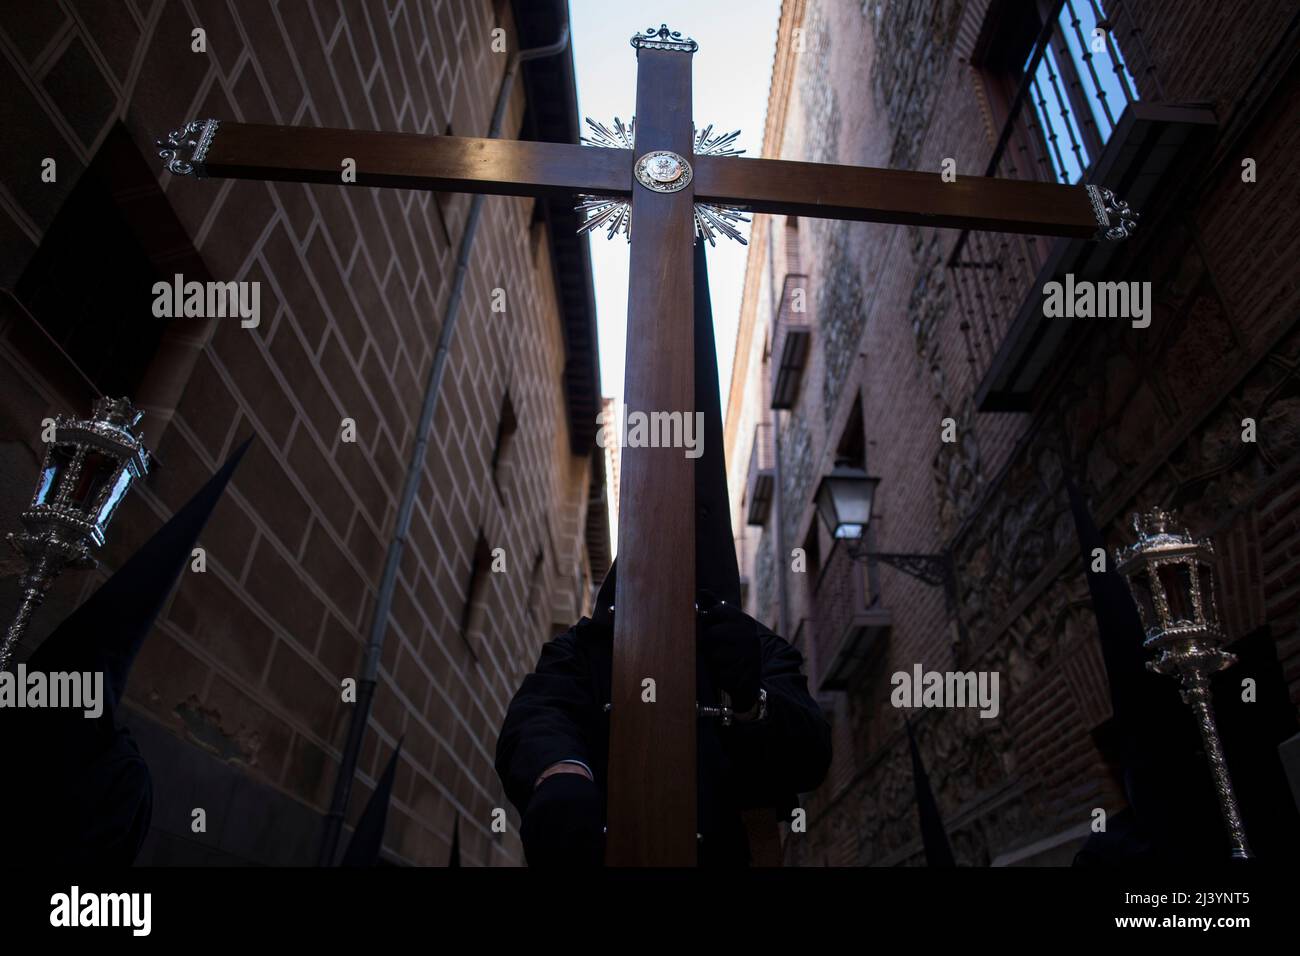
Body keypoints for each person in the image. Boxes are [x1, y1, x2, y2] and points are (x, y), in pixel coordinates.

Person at [495, 582, 831, 867]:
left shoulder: (757, 644)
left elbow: (813, 754)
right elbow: (540, 711)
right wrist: (561, 770)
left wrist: (752, 700)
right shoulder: (583, 647)